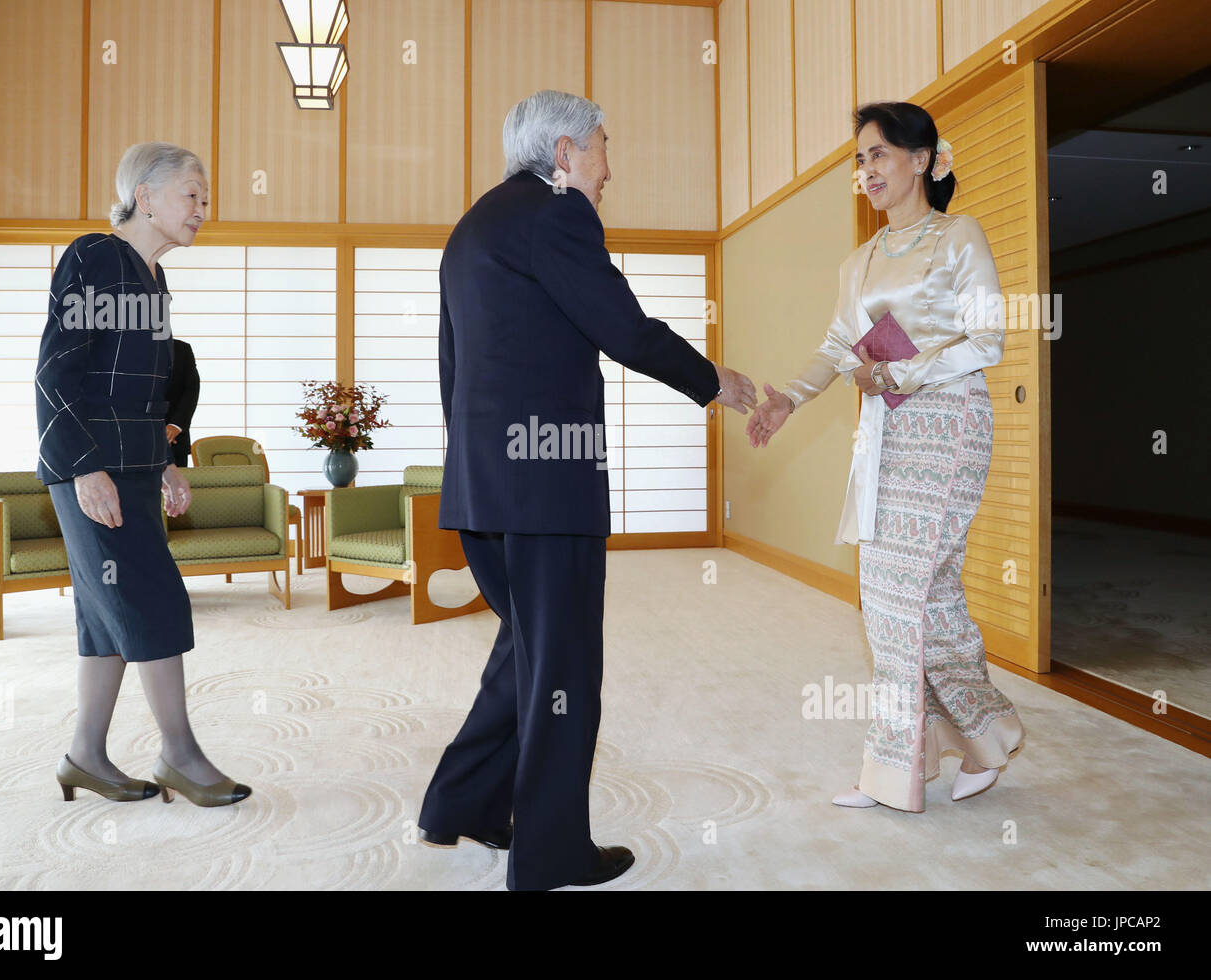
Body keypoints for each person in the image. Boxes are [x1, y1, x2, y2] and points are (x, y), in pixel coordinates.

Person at [417, 90, 757, 890]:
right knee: (563, 667)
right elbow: (625, 328)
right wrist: (716, 381)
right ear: (565, 153)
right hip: (545, 489)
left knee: (526, 651)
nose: (611, 166)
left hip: (485, 488)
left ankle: (458, 804)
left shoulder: (472, 227)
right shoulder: (557, 213)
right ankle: (549, 853)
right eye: (604, 146)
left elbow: (451, 372)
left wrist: (475, 470)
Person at [747, 101, 1025, 812]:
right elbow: (840, 345)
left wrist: (899, 374)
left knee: (912, 592)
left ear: (924, 160)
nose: (866, 170)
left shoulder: (959, 236)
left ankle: (939, 748)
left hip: (949, 422)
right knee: (894, 595)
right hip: (885, 431)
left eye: (879, 155)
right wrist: (791, 399)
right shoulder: (860, 260)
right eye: (861, 159)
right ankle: (964, 738)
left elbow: (986, 339)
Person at [36, 141, 250, 808]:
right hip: (90, 467)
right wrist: (83, 468)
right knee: (154, 600)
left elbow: (147, 395)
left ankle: (85, 756)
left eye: (206, 198)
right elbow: (56, 372)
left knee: (107, 621)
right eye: (192, 194)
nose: (202, 209)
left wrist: (164, 466)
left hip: (131, 467)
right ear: (145, 195)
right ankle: (179, 756)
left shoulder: (155, 279)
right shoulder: (94, 257)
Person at [164, 337, 200, 467]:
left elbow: (192, 389)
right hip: (133, 440)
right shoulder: (123, 348)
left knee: (176, 487)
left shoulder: (181, 349)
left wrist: (175, 425)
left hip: (174, 439)